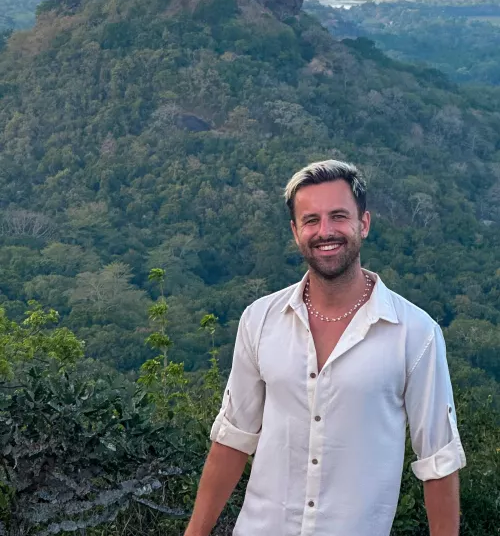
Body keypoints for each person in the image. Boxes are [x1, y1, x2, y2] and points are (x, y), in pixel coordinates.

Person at [184, 159, 466, 536]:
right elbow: (233, 440)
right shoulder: (260, 320)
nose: (325, 231)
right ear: (295, 231)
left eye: (338, 216)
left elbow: (439, 463)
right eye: (311, 220)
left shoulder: (415, 334)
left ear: (363, 223)